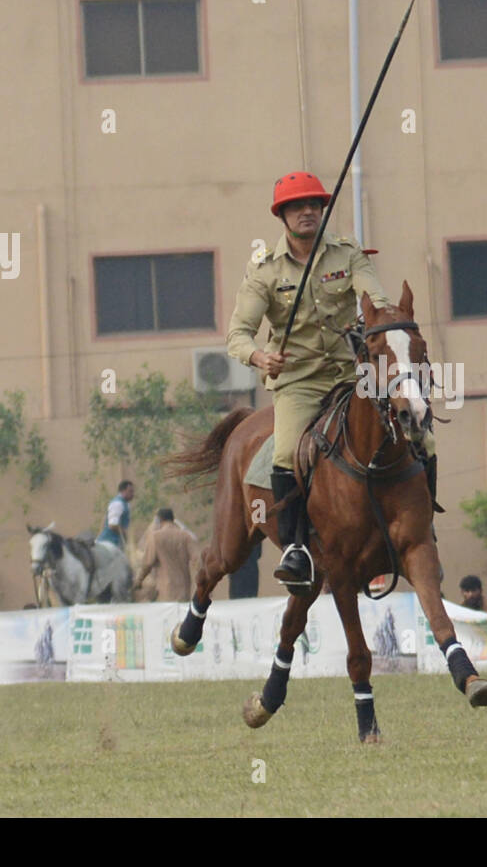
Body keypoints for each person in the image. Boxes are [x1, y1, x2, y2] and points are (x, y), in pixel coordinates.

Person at [226, 171, 439, 593]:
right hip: (300, 381)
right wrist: (259, 356)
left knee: (423, 437)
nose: (308, 211)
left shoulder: (348, 254)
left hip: (353, 372)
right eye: (298, 206)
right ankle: (296, 550)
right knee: (286, 452)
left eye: (314, 205)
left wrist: (390, 323)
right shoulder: (264, 273)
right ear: (282, 216)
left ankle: (421, 527)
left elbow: (374, 300)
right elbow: (237, 334)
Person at [133, 508, 198, 603]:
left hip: (165, 590)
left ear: (159, 520)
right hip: (184, 589)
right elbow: (197, 561)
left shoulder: (155, 537)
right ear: (172, 519)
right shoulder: (186, 536)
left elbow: (147, 564)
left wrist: (138, 581)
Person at [97, 480, 134, 549]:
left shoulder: (125, 504)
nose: (133, 494)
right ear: (123, 491)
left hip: (115, 543)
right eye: (130, 491)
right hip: (108, 544)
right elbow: (112, 525)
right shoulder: (117, 503)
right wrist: (125, 533)